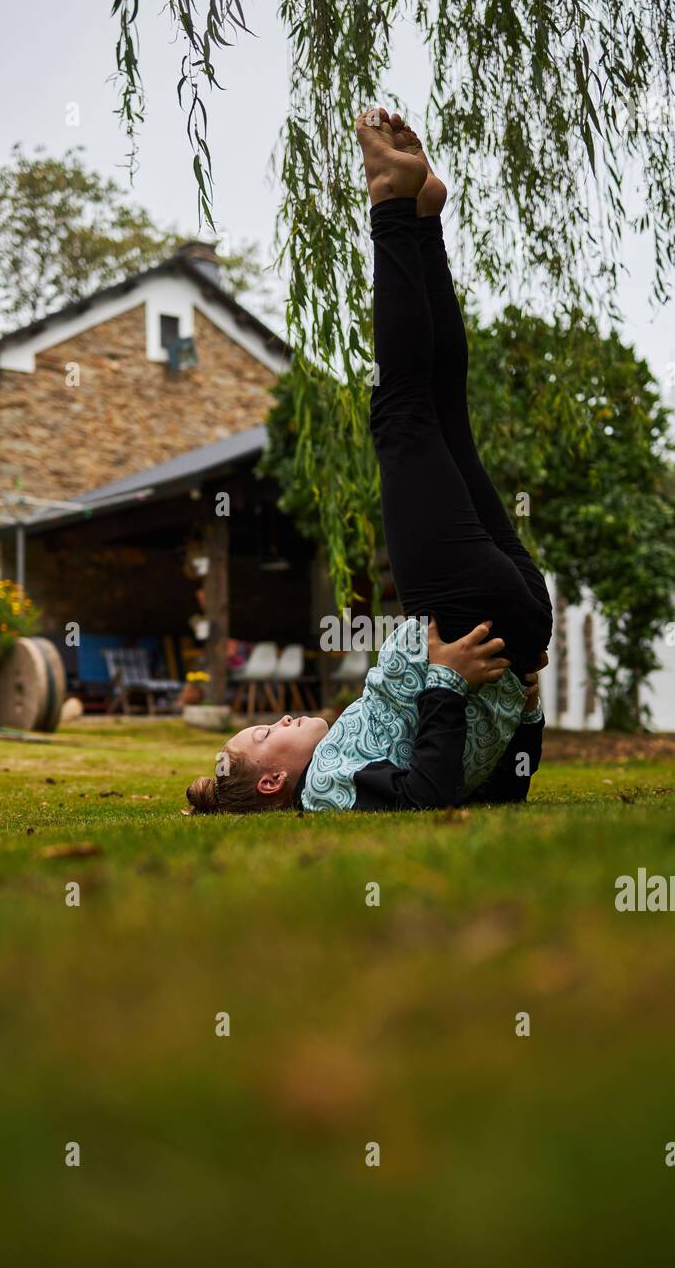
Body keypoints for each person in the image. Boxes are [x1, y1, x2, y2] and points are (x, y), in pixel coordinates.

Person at [186, 107, 551, 816]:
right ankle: (391, 204)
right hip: (468, 618)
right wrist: (449, 682)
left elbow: (499, 791)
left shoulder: (339, 762)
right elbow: (429, 798)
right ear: (273, 782)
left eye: (271, 720)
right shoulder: (324, 788)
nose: (285, 719)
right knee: (401, 414)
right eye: (269, 733)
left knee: (442, 415)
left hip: (507, 624)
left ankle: (419, 218)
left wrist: (523, 711)